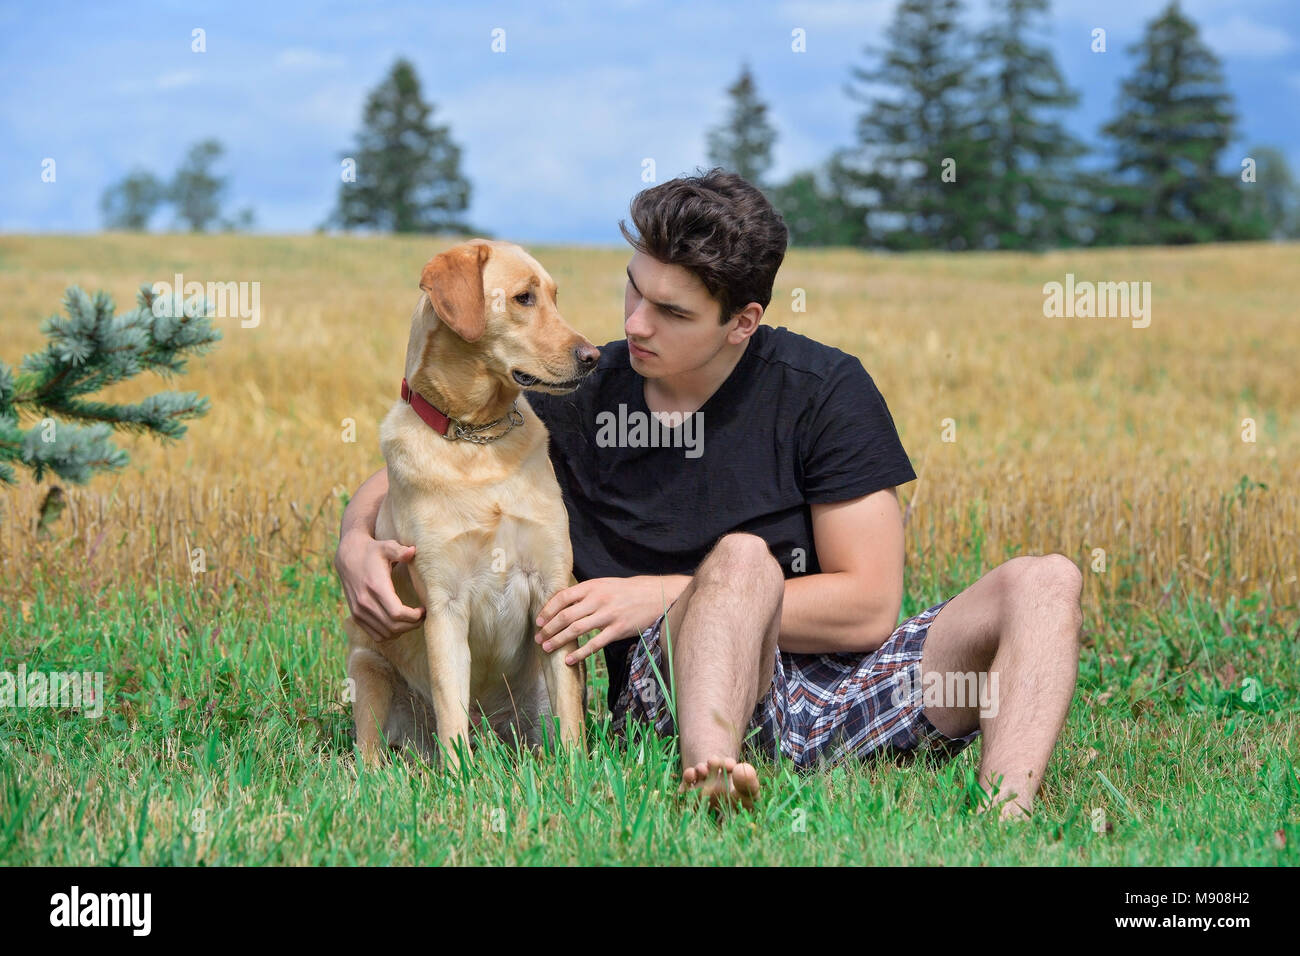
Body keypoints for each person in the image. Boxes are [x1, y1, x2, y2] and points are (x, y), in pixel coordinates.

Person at [334, 168, 1082, 818]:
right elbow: (425, 464)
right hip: (672, 695)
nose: (634, 325)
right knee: (744, 564)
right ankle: (712, 777)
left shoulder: (824, 391)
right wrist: (357, 542)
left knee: (1047, 580)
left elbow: (870, 607)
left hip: (838, 693)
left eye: (672, 313)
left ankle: (1007, 816)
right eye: (635, 291)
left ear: (742, 323)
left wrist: (657, 592)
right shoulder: (583, 395)